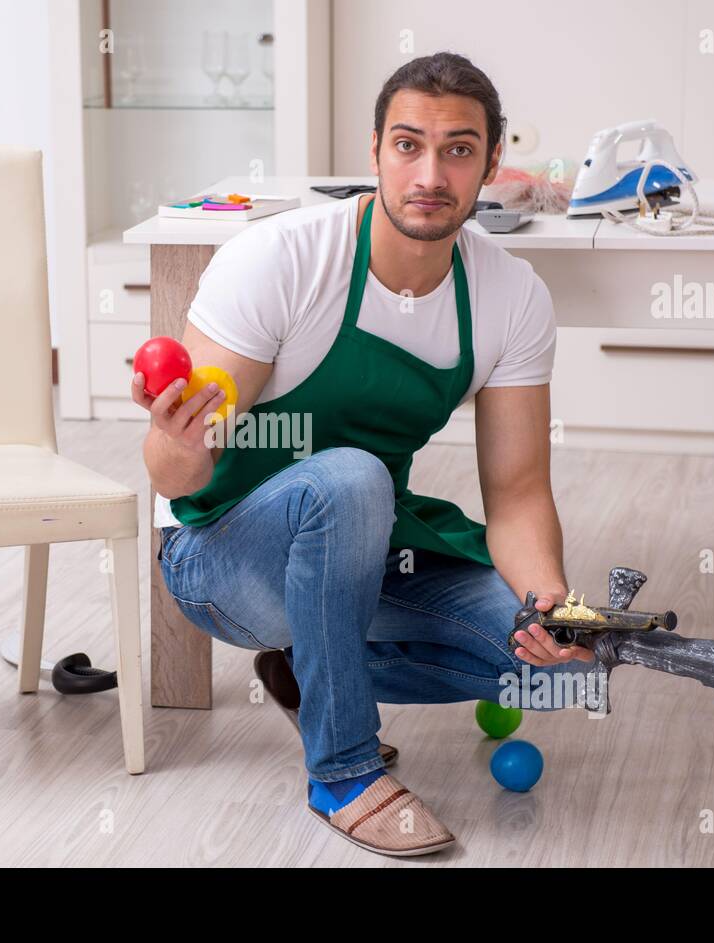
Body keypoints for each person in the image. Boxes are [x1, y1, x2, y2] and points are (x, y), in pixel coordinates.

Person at [132, 51, 599, 857]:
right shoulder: (281, 261)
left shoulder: (510, 295)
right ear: (374, 151)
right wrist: (175, 439)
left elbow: (519, 493)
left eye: (458, 149)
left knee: (569, 670)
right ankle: (343, 766)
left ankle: (311, 671)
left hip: (367, 556)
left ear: (492, 164)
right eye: (408, 144)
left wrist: (548, 602)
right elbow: (175, 480)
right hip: (218, 554)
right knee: (352, 475)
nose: (430, 172)